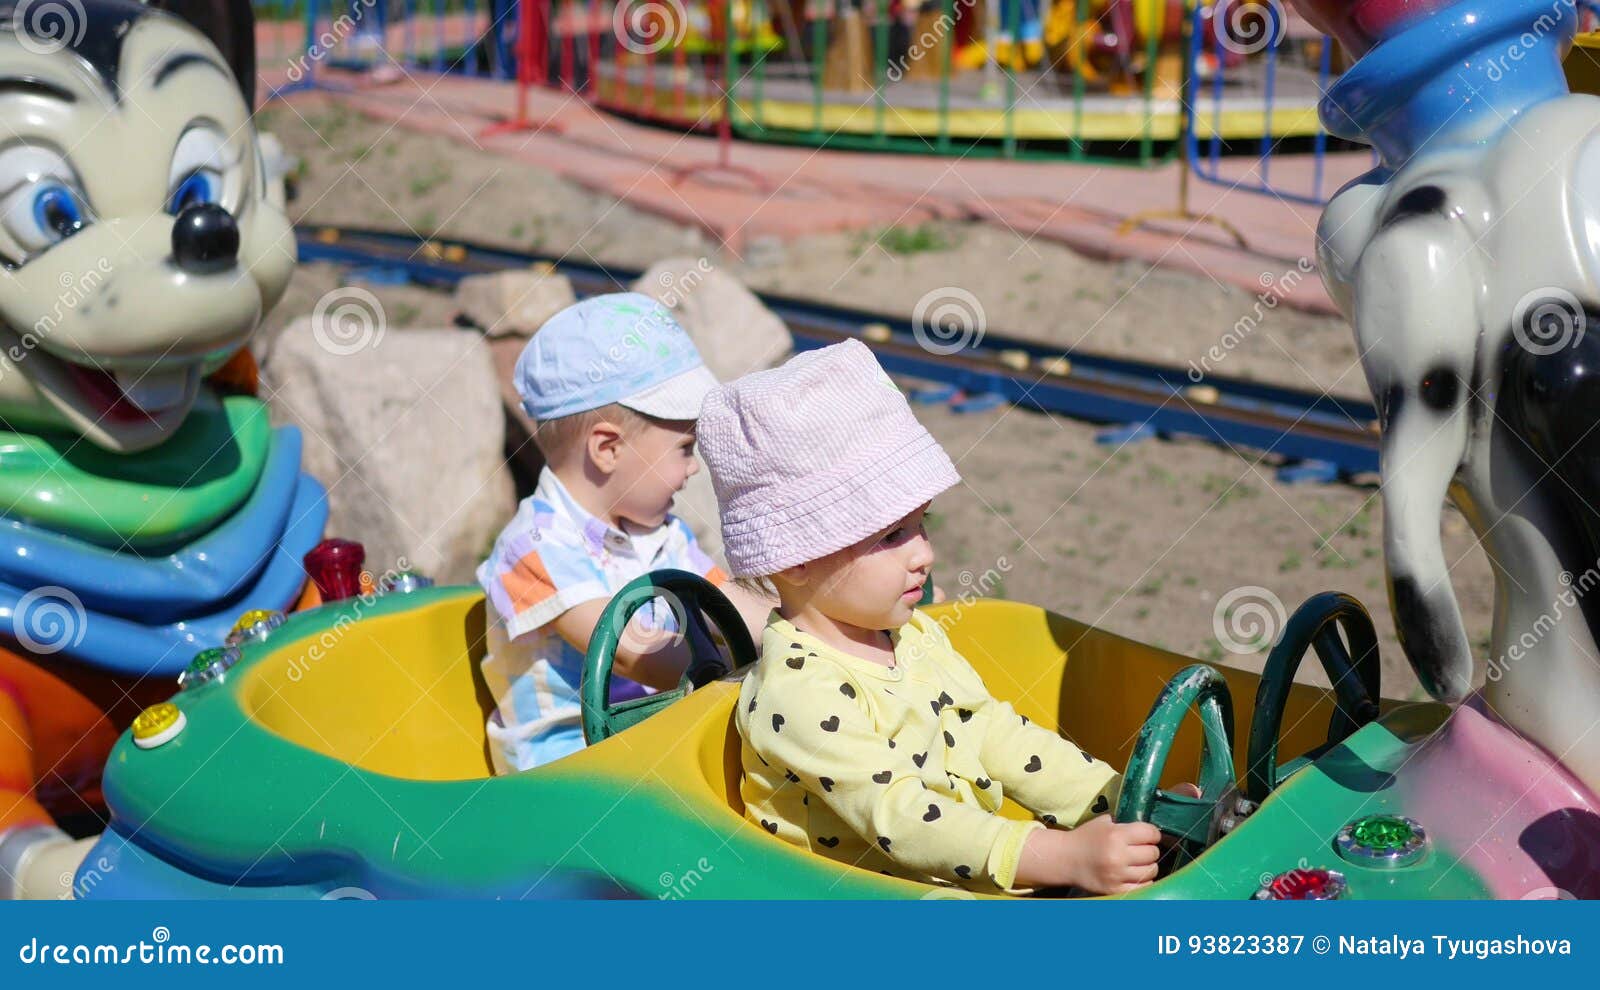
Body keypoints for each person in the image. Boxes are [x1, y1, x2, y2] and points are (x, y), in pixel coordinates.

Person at [698, 339, 1178, 894]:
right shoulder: (798, 695)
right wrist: (1063, 858)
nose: (923, 552)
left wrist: (1125, 802)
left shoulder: (912, 636)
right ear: (798, 559)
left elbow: (996, 735)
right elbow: (901, 819)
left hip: (950, 887)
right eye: (892, 536)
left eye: (921, 523)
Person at [477, 293, 772, 773]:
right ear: (608, 449)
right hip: (563, 771)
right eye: (685, 447)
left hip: (653, 743)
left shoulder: (662, 535)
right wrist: (771, 663)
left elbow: (728, 605)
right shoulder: (533, 547)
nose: (694, 466)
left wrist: (807, 625)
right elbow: (634, 654)